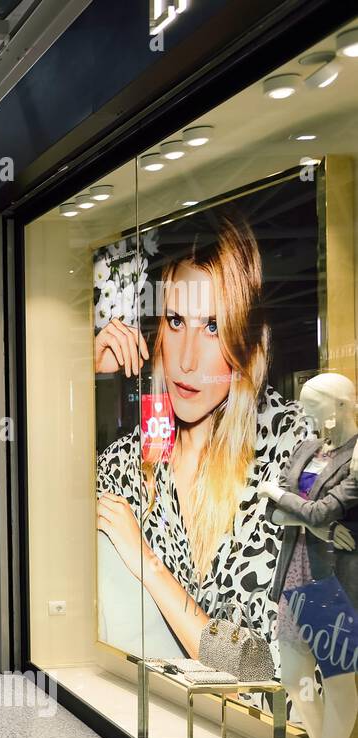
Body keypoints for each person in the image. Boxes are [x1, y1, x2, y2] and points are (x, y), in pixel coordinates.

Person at [94, 212, 312, 660]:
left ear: (246, 342)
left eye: (212, 326)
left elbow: (259, 669)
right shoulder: (129, 463)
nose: (187, 360)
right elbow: (28, 547)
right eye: (176, 322)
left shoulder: (291, 453)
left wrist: (147, 564)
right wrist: (82, 378)